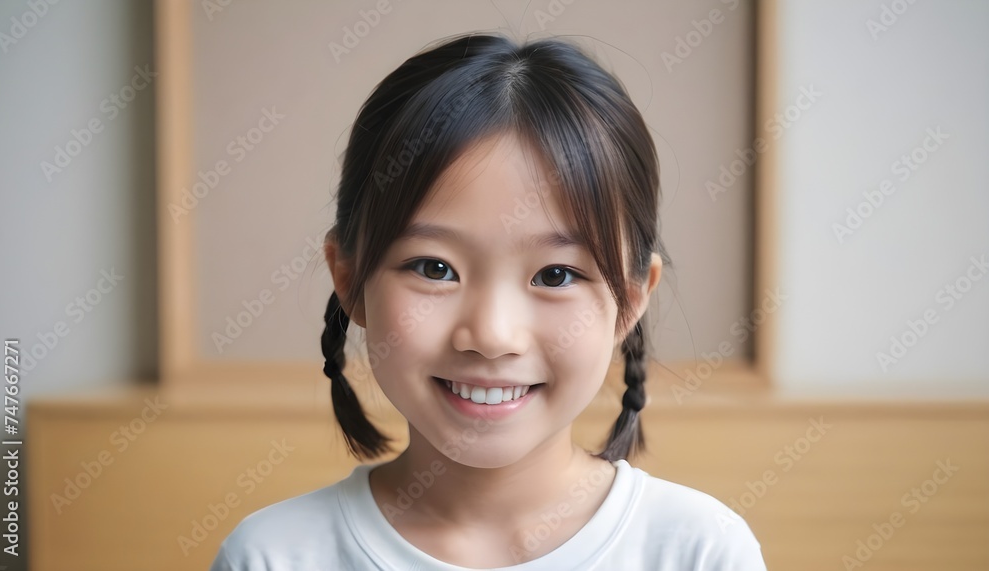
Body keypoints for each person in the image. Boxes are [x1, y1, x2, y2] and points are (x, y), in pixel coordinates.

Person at [210, 33, 767, 570]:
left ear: (631, 297)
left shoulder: (700, 552)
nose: (493, 334)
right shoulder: (272, 557)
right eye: (435, 268)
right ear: (350, 280)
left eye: (555, 274)